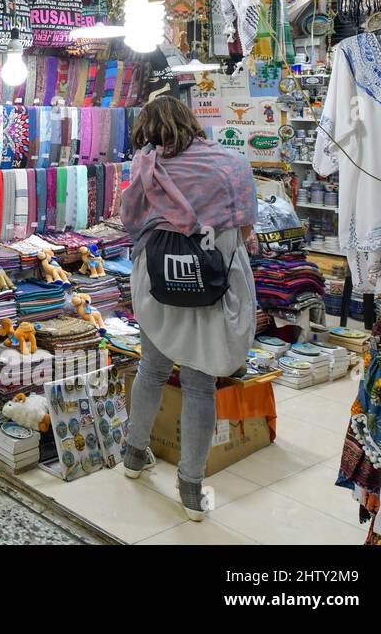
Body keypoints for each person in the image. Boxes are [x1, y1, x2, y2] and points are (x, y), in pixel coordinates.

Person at [118, 95, 258, 522]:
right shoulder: (232, 165)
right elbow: (246, 228)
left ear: (150, 129)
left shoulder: (146, 168)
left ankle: (134, 455)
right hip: (212, 285)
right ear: (191, 122)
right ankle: (192, 488)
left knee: (152, 368)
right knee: (199, 383)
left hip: (158, 285)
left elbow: (129, 223)